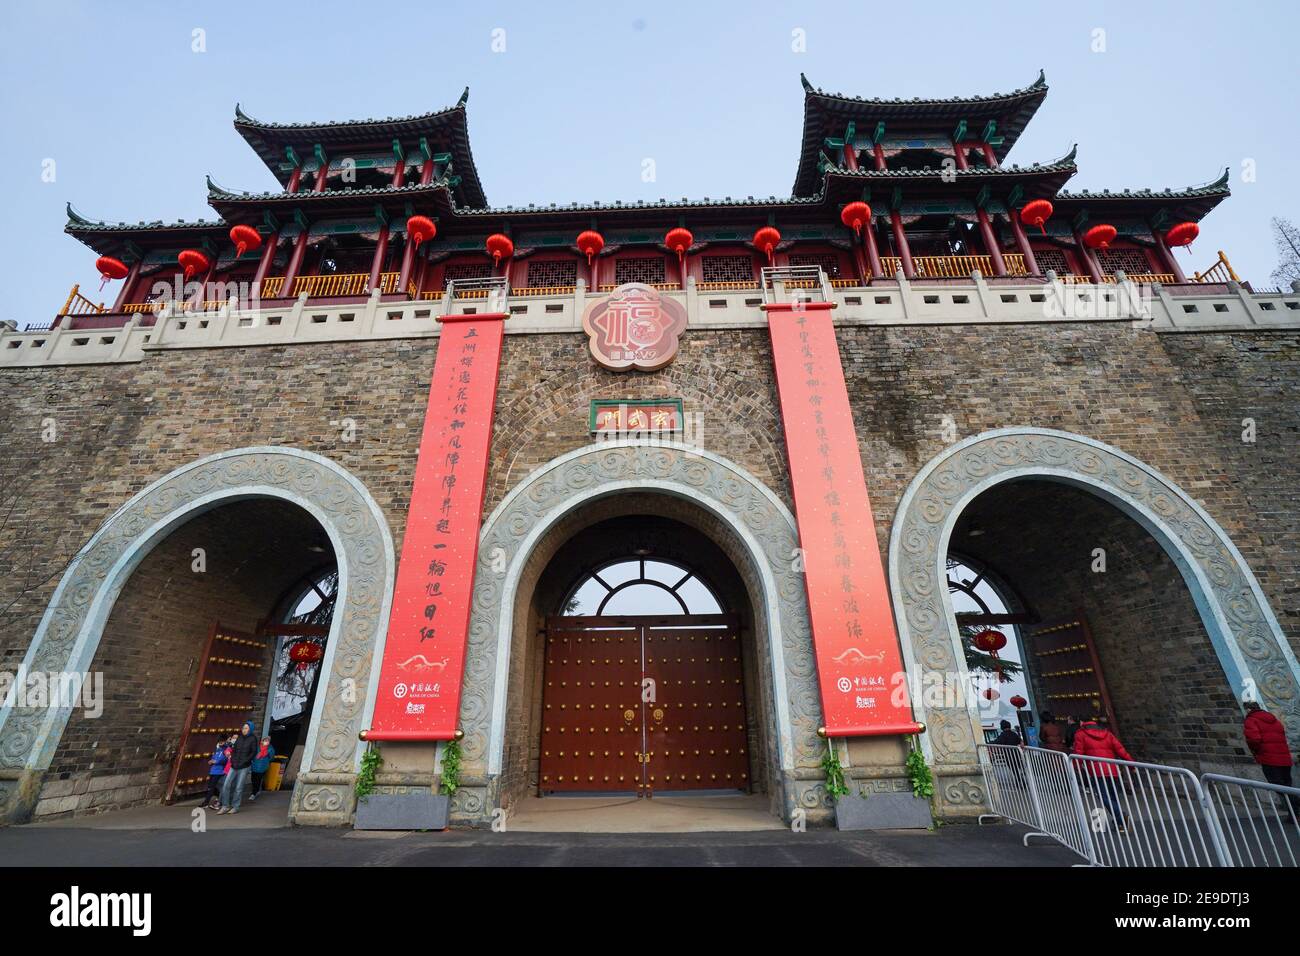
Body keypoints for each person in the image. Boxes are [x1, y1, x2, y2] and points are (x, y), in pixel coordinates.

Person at [1072, 717, 1133, 831]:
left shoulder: (1080, 734)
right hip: (1112, 769)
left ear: (1082, 723)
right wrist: (1131, 765)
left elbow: (1078, 752)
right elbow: (1121, 750)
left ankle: (1120, 817)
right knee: (1113, 796)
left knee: (1104, 796)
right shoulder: (1107, 734)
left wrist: (1075, 767)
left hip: (1097, 771)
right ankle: (1119, 822)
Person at [1242, 702, 1298, 814]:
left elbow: (1254, 739)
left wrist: (1256, 752)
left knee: (1279, 787)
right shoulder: (1274, 720)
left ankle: (1297, 809)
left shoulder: (1251, 720)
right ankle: (1294, 815)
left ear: (1248, 709)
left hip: (1269, 758)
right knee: (1287, 785)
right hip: (1284, 758)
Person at [219, 721, 259, 814]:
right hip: (234, 765)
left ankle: (235, 806)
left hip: (244, 766)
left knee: (238, 787)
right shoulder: (239, 738)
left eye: (246, 728)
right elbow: (234, 750)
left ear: (250, 729)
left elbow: (253, 752)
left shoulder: (253, 739)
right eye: (243, 728)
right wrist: (232, 759)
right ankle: (225, 805)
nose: (244, 730)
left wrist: (246, 761)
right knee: (226, 785)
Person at [249, 736, 276, 801]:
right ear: (262, 741)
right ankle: (256, 791)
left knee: (258, 780)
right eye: (265, 740)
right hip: (254, 765)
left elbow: (272, 758)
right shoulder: (258, 747)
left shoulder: (270, 749)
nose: (266, 742)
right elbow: (253, 755)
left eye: (268, 741)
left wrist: (267, 760)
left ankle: (254, 793)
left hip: (262, 767)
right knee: (253, 779)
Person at [204, 740, 228, 809]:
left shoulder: (226, 749)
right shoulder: (217, 749)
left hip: (220, 771)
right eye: (219, 742)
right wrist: (211, 761)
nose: (221, 743)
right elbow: (214, 758)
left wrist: (216, 761)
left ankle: (206, 802)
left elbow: (225, 760)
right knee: (211, 786)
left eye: (222, 742)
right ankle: (219, 798)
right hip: (213, 770)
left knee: (212, 787)